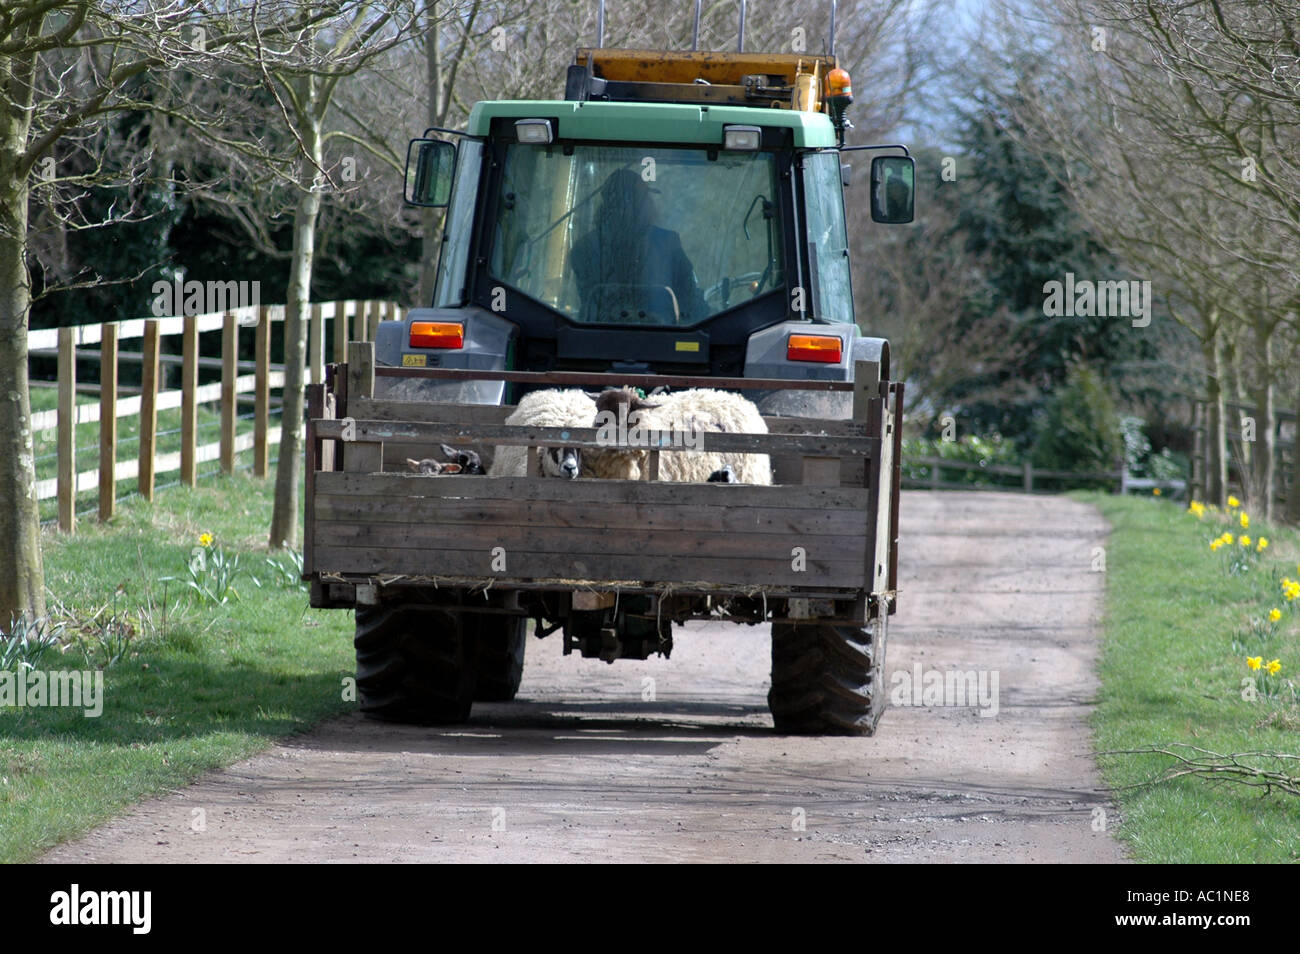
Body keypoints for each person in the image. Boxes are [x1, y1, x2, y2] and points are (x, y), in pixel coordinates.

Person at [569, 168, 708, 323]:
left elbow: (688, 296)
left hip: (608, 335)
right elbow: (689, 299)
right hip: (630, 335)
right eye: (641, 199)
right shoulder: (586, 248)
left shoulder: (584, 247)